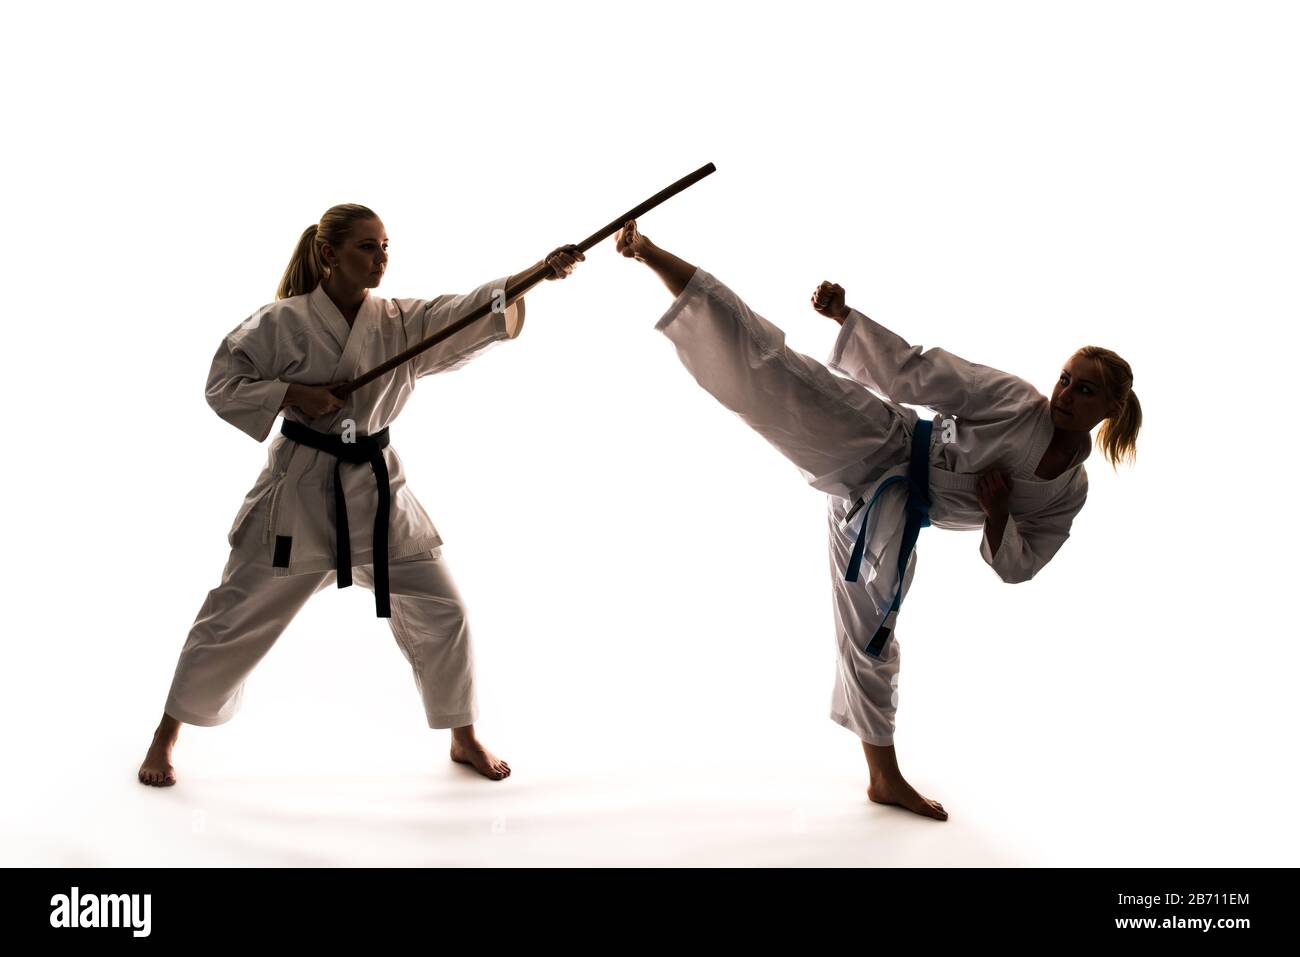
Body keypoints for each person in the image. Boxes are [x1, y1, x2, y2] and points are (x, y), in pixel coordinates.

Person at [614, 219, 1141, 821]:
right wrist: (846, 318)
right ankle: (651, 254)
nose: (1065, 395)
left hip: (889, 516)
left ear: (1111, 409)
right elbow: (925, 373)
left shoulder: (1067, 492)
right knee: (772, 368)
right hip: (879, 442)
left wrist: (997, 517)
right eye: (1066, 379)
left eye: (1085, 392)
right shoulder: (1020, 401)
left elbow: (1020, 565)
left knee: (871, 638)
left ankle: (882, 779)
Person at [139, 203, 584, 787]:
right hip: (298, 496)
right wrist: (292, 393)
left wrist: (537, 273)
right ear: (329, 254)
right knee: (232, 616)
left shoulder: (398, 321)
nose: (381, 258)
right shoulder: (280, 323)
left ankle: (462, 735)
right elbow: (223, 383)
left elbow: (469, 308)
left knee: (443, 609)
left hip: (378, 494)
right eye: (366, 247)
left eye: (385, 246)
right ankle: (165, 735)